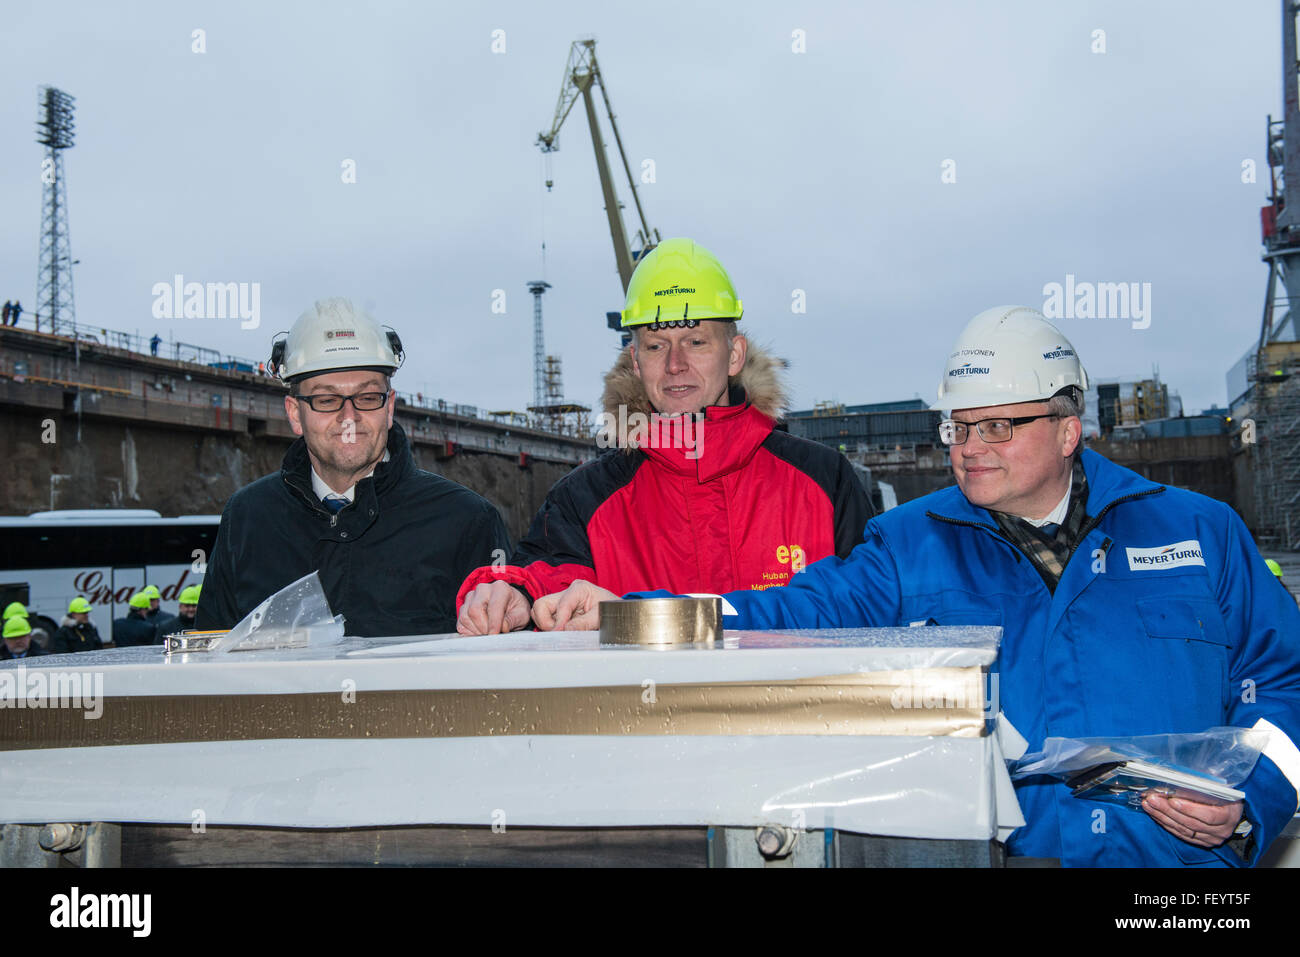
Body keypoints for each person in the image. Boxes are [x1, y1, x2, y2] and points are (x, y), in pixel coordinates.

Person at [540, 305, 1300, 868]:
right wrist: (644, 616)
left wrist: (1249, 805)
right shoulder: (910, 545)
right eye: (959, 427)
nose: (970, 449)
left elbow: (1284, 682)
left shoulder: (1198, 534)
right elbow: (798, 610)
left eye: (999, 427)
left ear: (1069, 430)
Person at [456, 238, 872, 635]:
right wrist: (515, 594)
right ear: (635, 361)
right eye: (656, 346)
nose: (675, 364)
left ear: (735, 354)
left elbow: (869, 601)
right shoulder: (584, 499)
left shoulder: (823, 479)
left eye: (695, 341)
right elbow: (553, 580)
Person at [196, 298, 510, 637]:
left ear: (389, 407)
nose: (349, 417)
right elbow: (213, 662)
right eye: (326, 400)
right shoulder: (247, 519)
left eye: (367, 397)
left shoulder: (467, 522)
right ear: (294, 413)